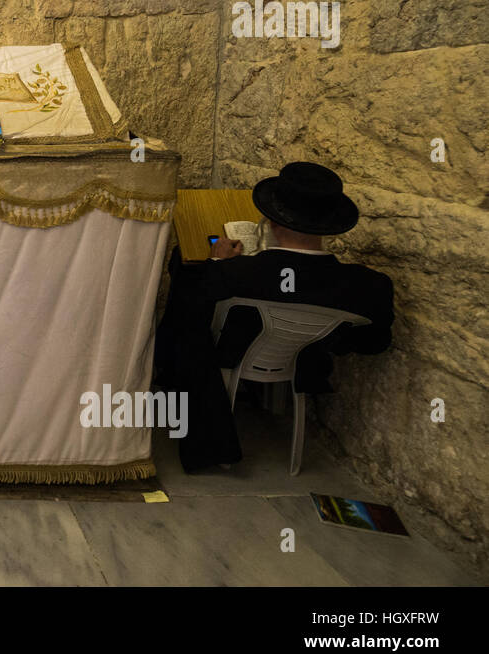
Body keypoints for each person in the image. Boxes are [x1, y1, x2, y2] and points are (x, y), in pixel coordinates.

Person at [153, 161, 393, 472]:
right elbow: (376, 341)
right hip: (303, 359)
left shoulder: (236, 274)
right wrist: (322, 337)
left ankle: (187, 405)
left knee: (187, 297)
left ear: (272, 222)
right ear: (329, 226)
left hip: (235, 350)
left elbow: (192, 302)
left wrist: (217, 263)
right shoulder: (370, 286)